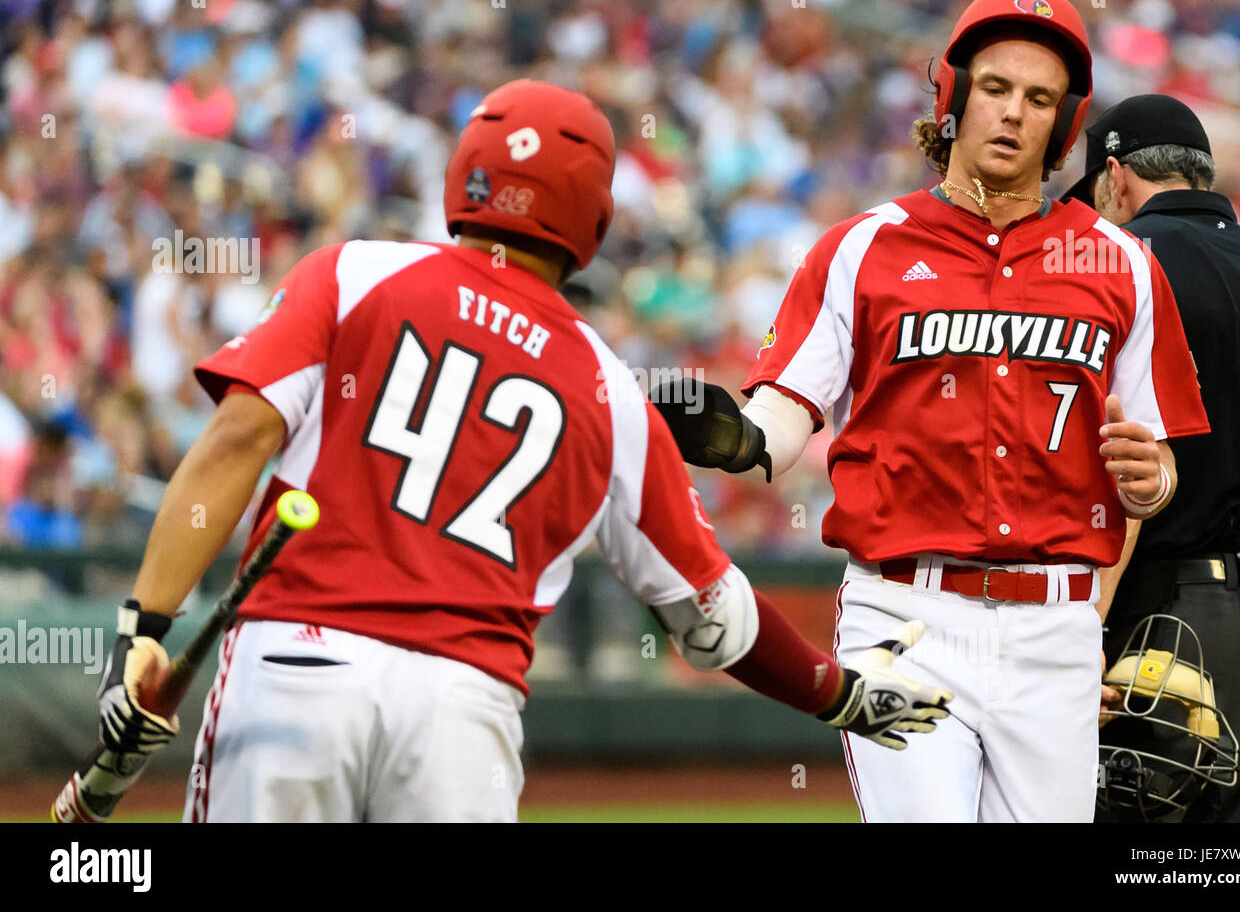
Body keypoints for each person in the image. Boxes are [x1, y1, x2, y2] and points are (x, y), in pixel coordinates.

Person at [93, 80, 952, 823]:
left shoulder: (349, 274)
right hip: (460, 716)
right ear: (595, 215)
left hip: (295, 671)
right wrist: (837, 692)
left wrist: (143, 626)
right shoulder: (610, 388)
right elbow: (714, 620)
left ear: (462, 173)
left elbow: (238, 436)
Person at [652, 0, 1210, 822]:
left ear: (1063, 124)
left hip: (1056, 626)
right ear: (951, 95)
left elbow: (1159, 465)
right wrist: (732, 437)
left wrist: (1149, 484)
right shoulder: (861, 248)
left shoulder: (1122, 262)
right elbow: (782, 420)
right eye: (994, 88)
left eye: (1038, 98)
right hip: (903, 616)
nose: (1013, 113)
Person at [1063, 93, 1240, 822]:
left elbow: (1106, 466)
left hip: (1154, 617)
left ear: (1115, 175)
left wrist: (1079, 631)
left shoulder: (1118, 267)